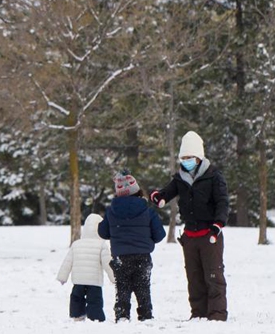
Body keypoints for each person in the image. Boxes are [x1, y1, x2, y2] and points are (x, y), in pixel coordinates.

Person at [149, 131, 230, 321]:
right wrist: (159, 197)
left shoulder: (214, 176)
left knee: (213, 275)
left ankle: (217, 314)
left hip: (210, 234)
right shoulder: (180, 178)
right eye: (183, 158)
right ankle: (198, 313)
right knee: (194, 278)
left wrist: (218, 224)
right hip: (190, 236)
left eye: (190, 157)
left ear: (199, 157)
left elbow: (223, 202)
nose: (186, 161)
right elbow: (168, 192)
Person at [98, 172, 166, 322]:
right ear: (137, 191)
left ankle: (122, 315)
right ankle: (146, 315)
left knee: (122, 288)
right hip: (142, 256)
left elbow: (102, 232)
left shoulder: (111, 211)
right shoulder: (148, 211)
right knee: (143, 288)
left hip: (120, 257)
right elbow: (160, 235)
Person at [56, 213, 115, 322]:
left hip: (78, 280)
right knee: (95, 300)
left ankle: (77, 315)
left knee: (76, 298)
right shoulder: (101, 245)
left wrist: (62, 277)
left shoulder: (76, 244)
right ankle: (95, 317)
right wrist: (114, 278)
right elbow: (108, 263)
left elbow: (67, 262)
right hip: (94, 281)